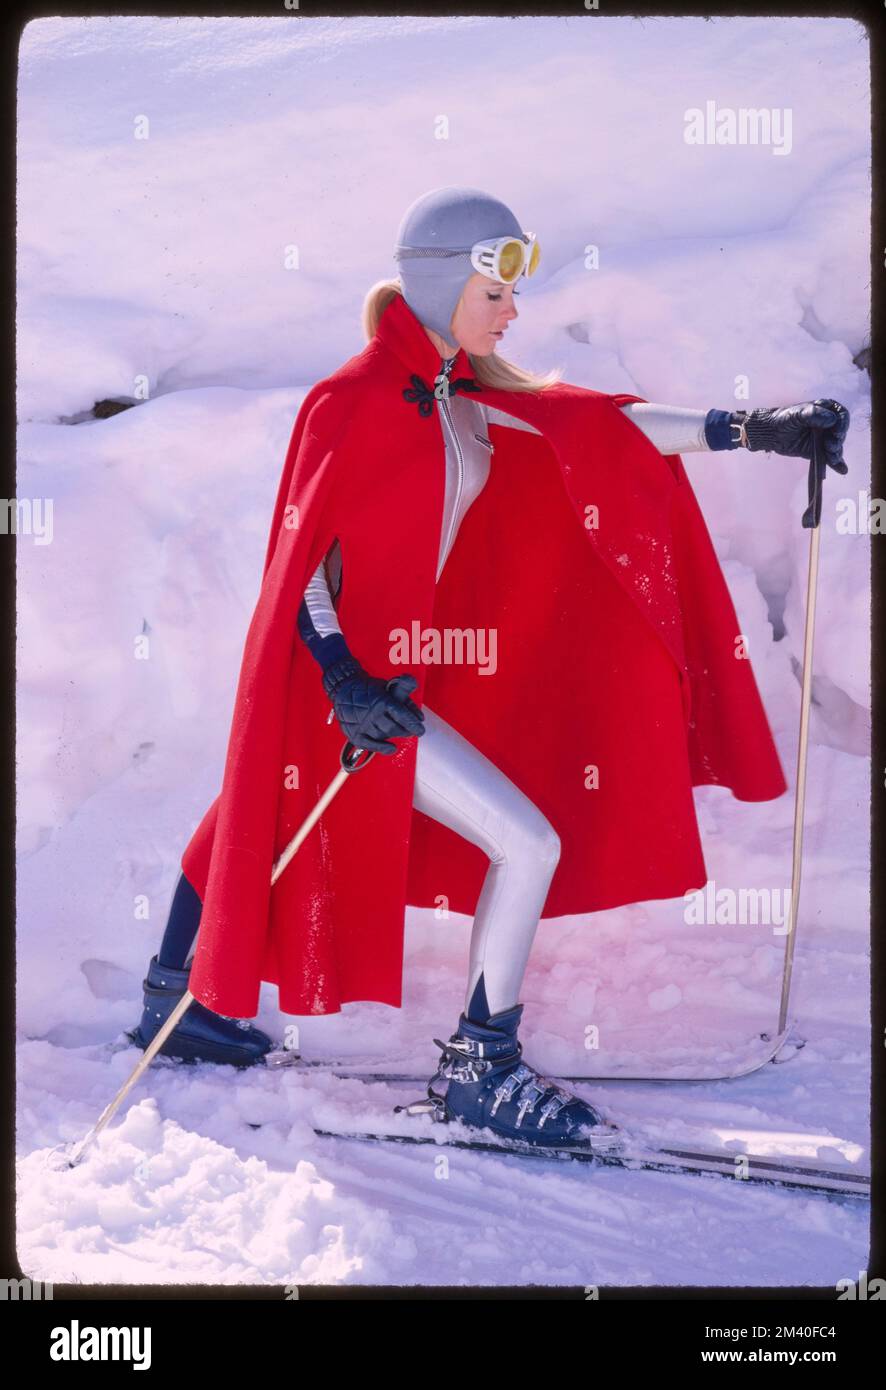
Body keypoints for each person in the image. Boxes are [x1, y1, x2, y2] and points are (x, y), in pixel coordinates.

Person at [131, 187, 850, 1149]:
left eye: (515, 289)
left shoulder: (460, 393)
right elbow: (301, 568)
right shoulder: (347, 404)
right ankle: (481, 1068)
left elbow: (608, 429)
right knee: (526, 843)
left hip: (401, 682)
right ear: (442, 282)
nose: (513, 308)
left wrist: (754, 429)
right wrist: (342, 678)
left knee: (251, 800)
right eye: (496, 287)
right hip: (346, 686)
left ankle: (177, 997)